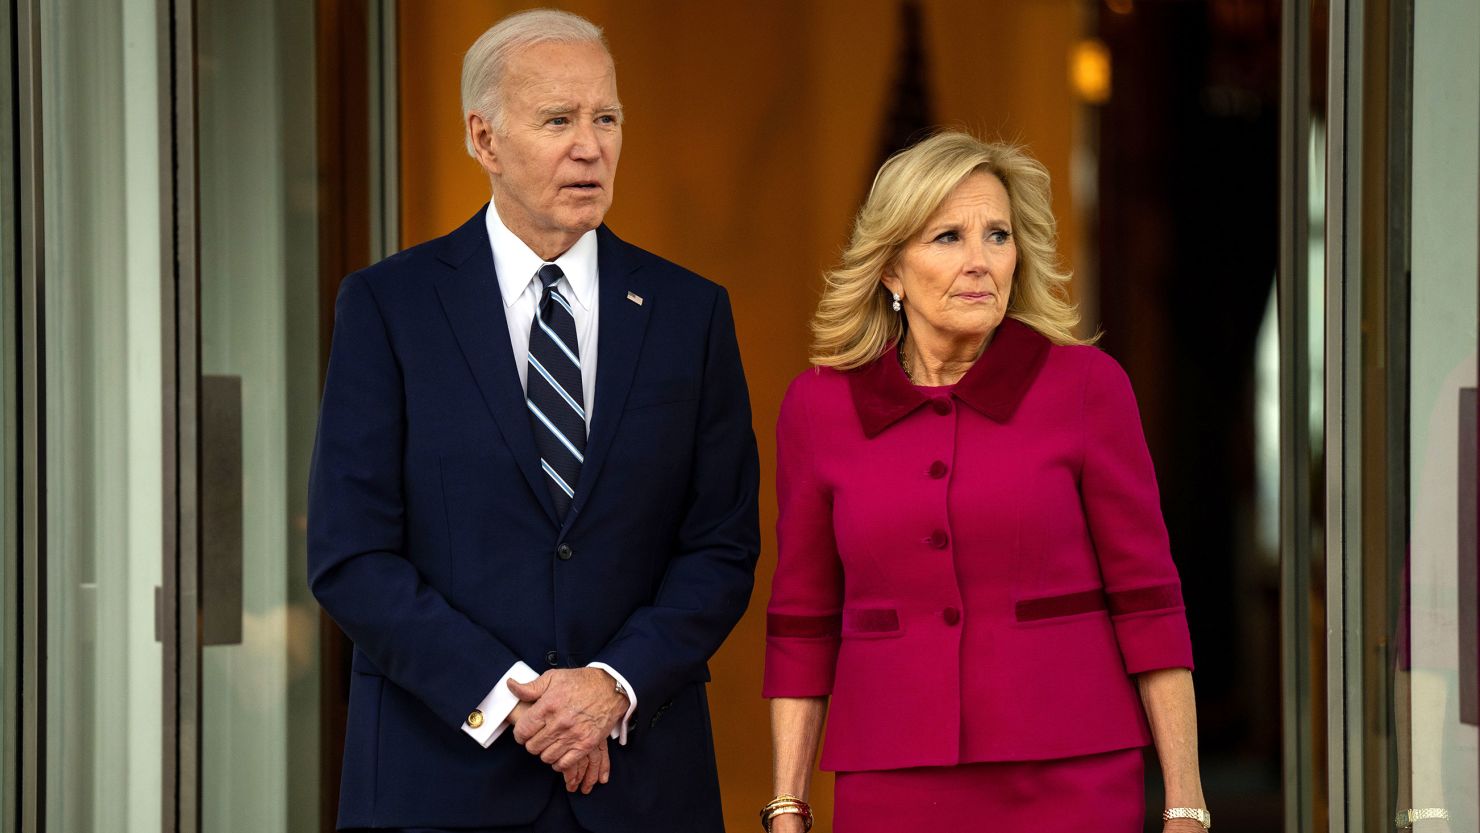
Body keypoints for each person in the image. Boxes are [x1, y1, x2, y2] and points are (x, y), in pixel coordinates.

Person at [308, 10, 759, 832]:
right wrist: (514, 700)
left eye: (606, 118)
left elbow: (720, 546)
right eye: (558, 120)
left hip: (641, 784)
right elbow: (352, 554)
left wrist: (610, 685)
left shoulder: (690, 313)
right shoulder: (388, 306)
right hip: (438, 779)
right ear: (483, 138)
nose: (590, 146)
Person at [761, 131, 1209, 833]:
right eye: (947, 236)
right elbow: (802, 618)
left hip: (1072, 774)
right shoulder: (819, 408)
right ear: (891, 271)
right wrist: (788, 803)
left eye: (996, 235)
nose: (979, 261)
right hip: (892, 778)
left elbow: (1149, 601)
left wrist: (1186, 801)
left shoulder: (1089, 387)